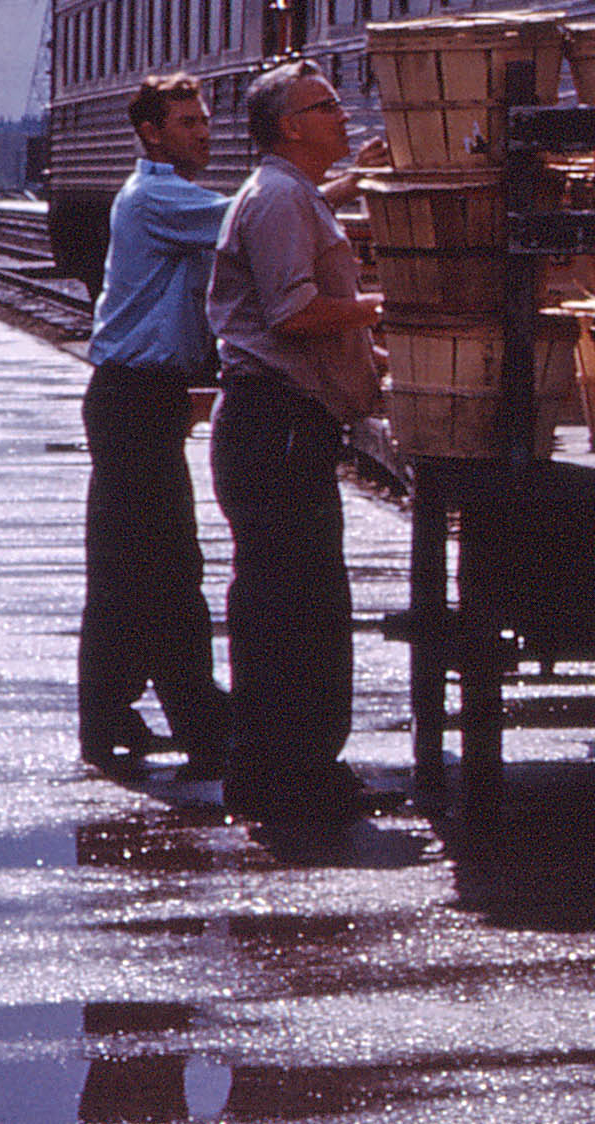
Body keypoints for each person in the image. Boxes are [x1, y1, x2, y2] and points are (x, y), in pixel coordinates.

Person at [205, 61, 387, 822]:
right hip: (275, 425)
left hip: (277, 424)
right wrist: (384, 309)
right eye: (326, 105)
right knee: (291, 603)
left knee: (293, 600)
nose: (344, 115)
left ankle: (289, 764)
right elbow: (293, 312)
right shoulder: (280, 198)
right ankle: (285, 775)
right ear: (290, 126)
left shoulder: (290, 193)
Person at [78, 75, 234, 779]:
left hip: (143, 400)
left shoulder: (162, 195)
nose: (203, 132)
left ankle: (112, 715)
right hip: (132, 400)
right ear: (151, 133)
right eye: (187, 122)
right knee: (166, 571)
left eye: (204, 120)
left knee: (131, 570)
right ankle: (198, 722)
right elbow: (248, 221)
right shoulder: (157, 197)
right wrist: (346, 185)